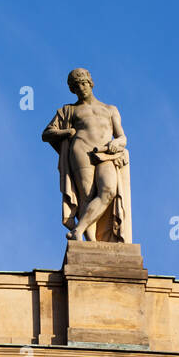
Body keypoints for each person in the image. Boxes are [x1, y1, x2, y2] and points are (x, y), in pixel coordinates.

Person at [42, 68, 131, 242]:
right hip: (81, 150)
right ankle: (91, 244)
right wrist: (67, 131)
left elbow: (122, 136)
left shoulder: (110, 109)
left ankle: (79, 229)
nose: (81, 88)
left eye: (83, 83)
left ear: (91, 84)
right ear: (72, 90)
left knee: (108, 191)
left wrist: (116, 143)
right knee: (86, 196)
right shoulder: (69, 110)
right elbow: (47, 134)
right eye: (76, 86)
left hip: (105, 153)